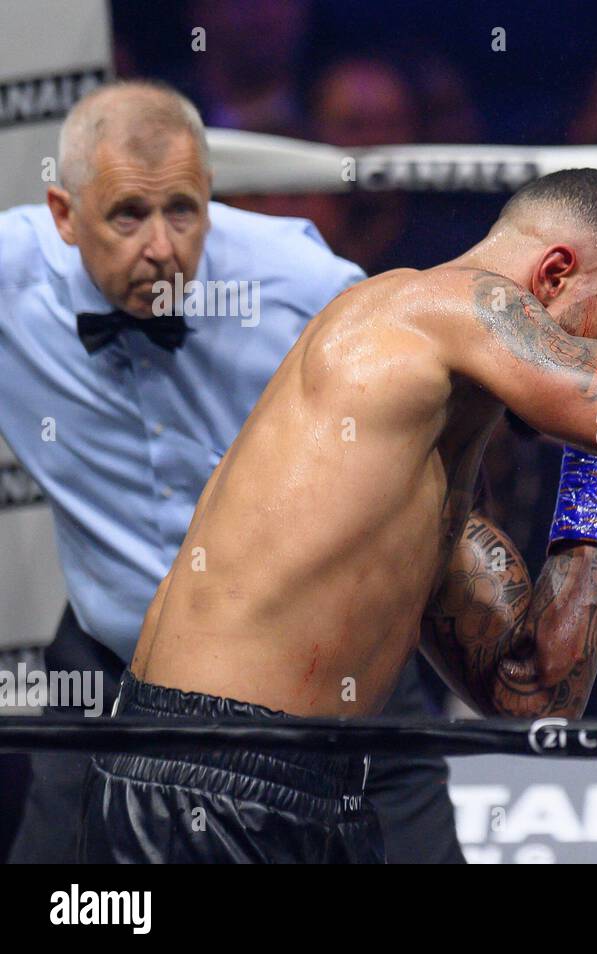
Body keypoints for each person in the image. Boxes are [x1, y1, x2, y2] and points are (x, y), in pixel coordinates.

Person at [80, 158, 597, 862]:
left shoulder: (425, 460)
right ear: (552, 275)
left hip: (314, 788)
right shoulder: (434, 308)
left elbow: (532, 696)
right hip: (204, 779)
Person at [0, 80, 442, 864]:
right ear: (65, 216)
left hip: (318, 673)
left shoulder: (299, 284)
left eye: (183, 210)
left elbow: (438, 405)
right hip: (114, 667)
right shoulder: (11, 284)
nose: (162, 246)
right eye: (127, 216)